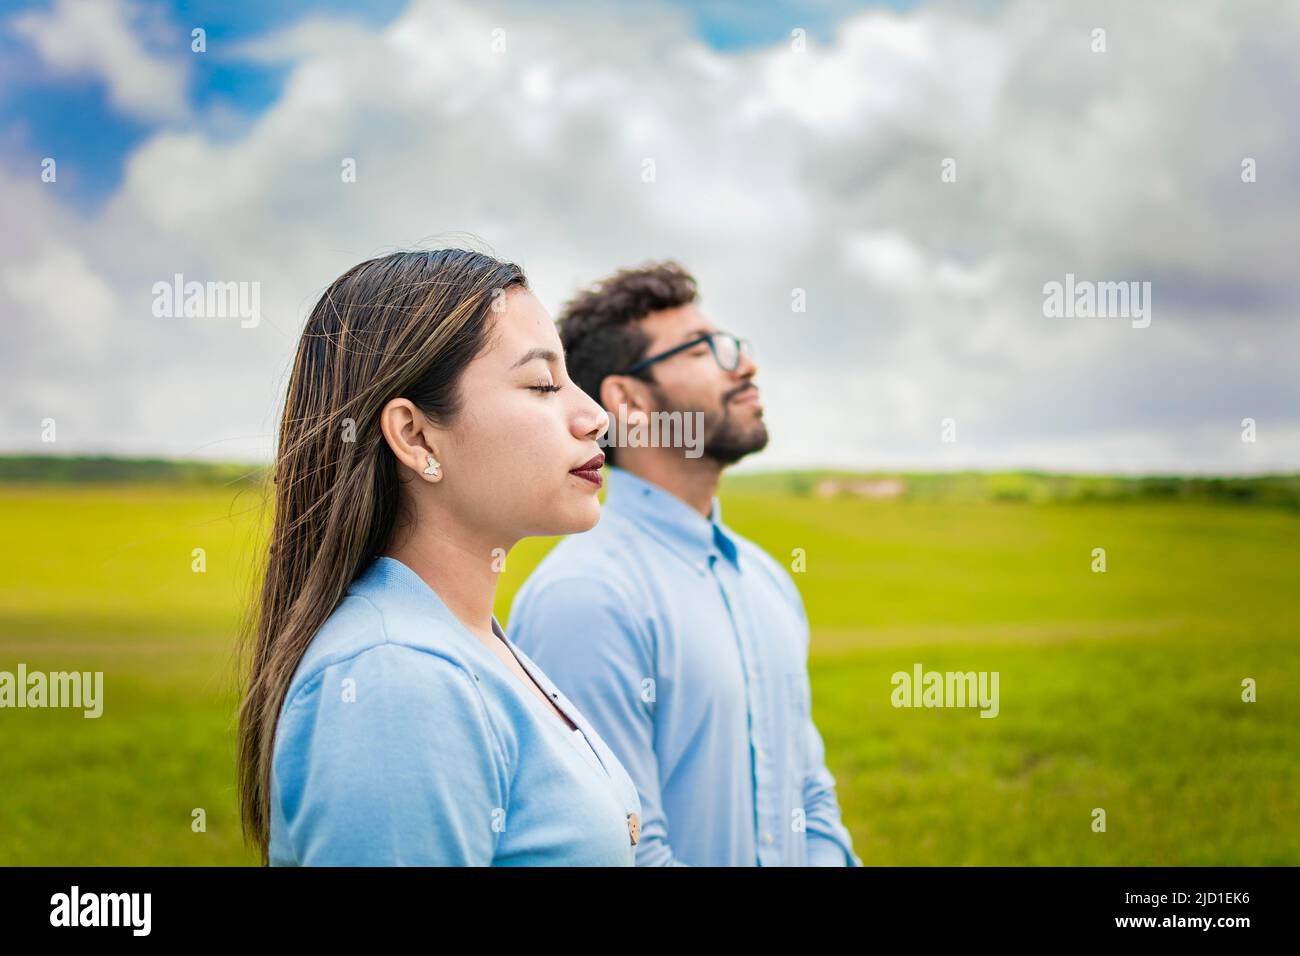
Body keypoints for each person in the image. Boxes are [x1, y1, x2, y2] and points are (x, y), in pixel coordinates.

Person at [236, 248, 642, 865]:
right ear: (415, 435)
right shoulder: (395, 678)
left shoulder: (470, 642)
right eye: (541, 385)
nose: (593, 417)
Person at [510, 261, 860, 866]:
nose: (744, 365)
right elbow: (626, 851)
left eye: (734, 347)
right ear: (629, 398)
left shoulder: (767, 579)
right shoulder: (585, 596)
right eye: (704, 351)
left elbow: (811, 798)